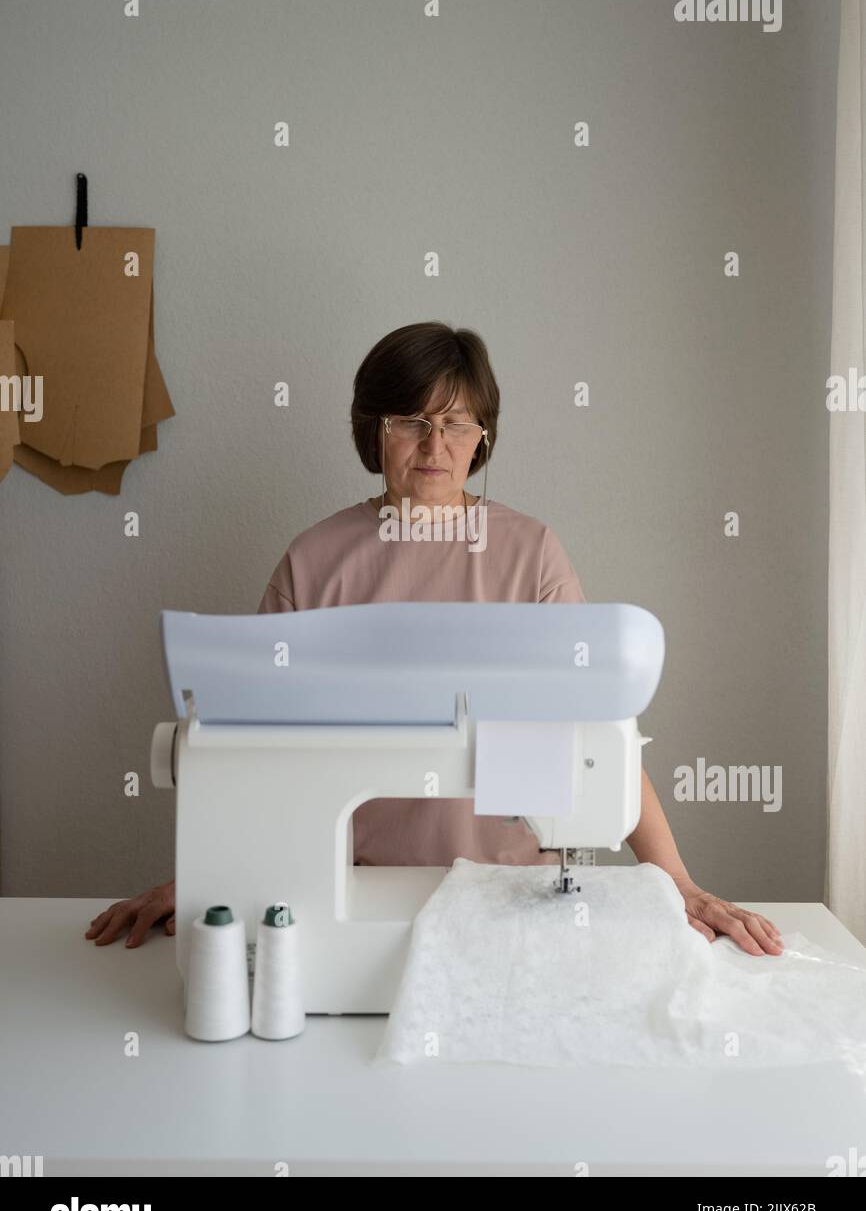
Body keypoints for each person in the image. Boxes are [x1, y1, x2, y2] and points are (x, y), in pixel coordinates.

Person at [86, 321, 784, 958]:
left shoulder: (533, 555)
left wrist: (679, 884)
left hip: (517, 900)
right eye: (411, 421)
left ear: (483, 437)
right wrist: (207, 877)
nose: (435, 445)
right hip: (352, 896)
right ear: (372, 430)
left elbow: (601, 729)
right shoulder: (313, 562)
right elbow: (250, 747)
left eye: (457, 423)